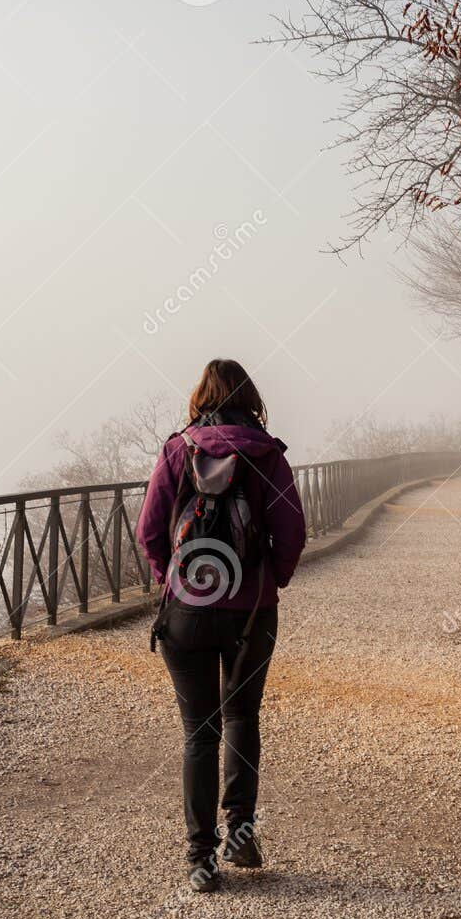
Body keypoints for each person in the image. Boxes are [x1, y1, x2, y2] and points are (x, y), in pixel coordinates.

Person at [135, 359, 306, 892]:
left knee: (198, 732)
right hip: (250, 612)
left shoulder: (177, 450)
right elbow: (292, 532)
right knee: (240, 718)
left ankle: (200, 859)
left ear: (201, 398)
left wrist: (173, 582)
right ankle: (240, 833)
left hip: (186, 613)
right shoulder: (268, 455)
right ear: (250, 398)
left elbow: (148, 532)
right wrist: (269, 580)